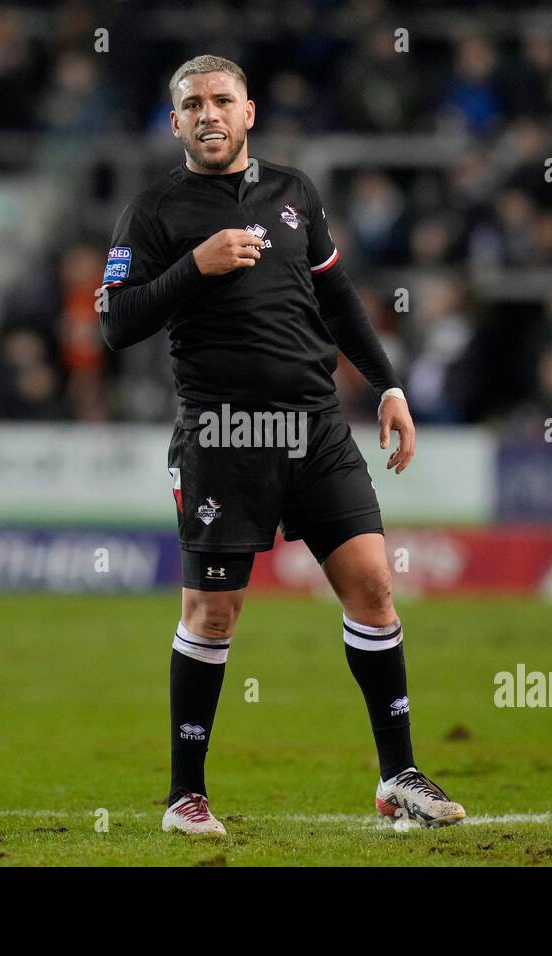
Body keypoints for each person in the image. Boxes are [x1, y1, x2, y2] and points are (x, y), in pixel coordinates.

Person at [99, 54, 465, 836]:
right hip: (223, 435)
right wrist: (193, 269)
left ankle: (399, 774)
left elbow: (336, 297)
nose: (208, 114)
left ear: (248, 112)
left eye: (221, 100)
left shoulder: (294, 194)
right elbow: (116, 322)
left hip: (317, 426)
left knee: (373, 585)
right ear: (175, 123)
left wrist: (390, 384)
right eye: (192, 104)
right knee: (213, 613)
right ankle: (184, 795)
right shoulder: (153, 213)